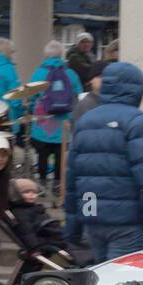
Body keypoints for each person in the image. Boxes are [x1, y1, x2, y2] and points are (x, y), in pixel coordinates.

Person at [64, 61, 143, 262]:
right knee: (120, 282)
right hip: (125, 221)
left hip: (91, 217)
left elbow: (72, 178)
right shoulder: (137, 121)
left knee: (99, 279)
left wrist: (72, 227)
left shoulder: (85, 121)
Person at [27, 40, 83, 194]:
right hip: (63, 125)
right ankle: (59, 188)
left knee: (42, 157)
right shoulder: (70, 73)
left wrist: (34, 110)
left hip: (43, 124)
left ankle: (42, 186)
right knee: (60, 158)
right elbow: (78, 96)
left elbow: (31, 97)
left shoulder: (39, 73)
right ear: (61, 55)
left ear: (45, 55)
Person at [70, 59, 107, 124]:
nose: (103, 79)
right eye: (99, 76)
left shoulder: (112, 101)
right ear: (91, 80)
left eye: (106, 76)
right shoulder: (84, 104)